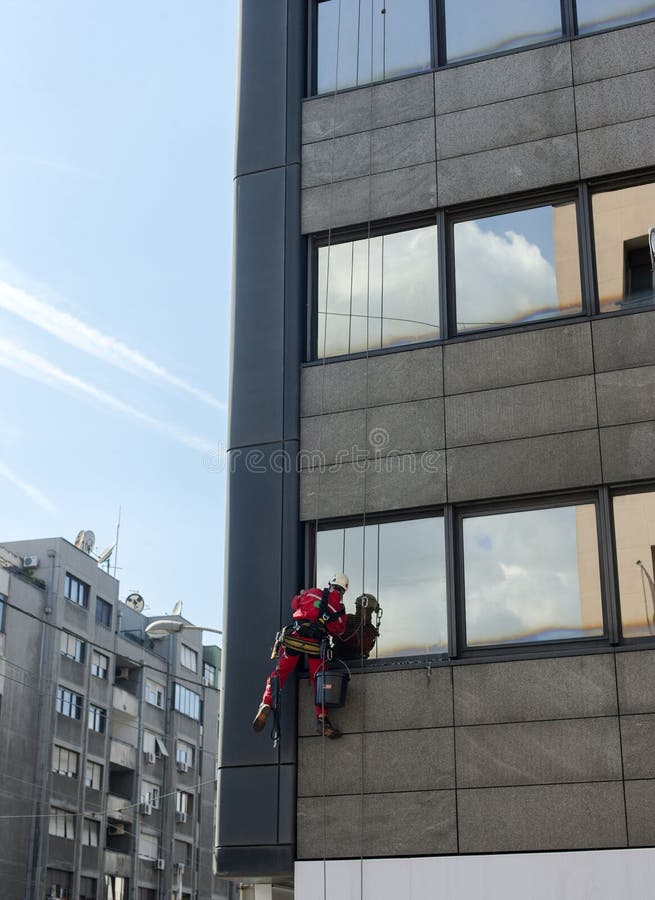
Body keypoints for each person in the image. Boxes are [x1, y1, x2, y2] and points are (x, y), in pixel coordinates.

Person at [252, 573, 349, 739]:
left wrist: (303, 596)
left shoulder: (312, 593)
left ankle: (266, 702)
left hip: (294, 640)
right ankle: (322, 719)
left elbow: (295, 603)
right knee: (319, 680)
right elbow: (339, 630)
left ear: (330, 584)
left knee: (279, 673)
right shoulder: (339, 608)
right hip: (315, 646)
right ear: (343, 590)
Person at [331, 592, 380, 661]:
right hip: (338, 661)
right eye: (359, 608)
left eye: (369, 611)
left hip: (356, 664)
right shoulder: (347, 620)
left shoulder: (370, 630)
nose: (360, 611)